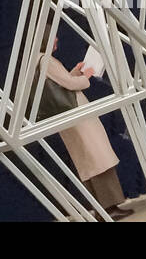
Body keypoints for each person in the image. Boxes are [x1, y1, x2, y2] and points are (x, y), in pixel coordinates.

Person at [39, 32, 133, 220]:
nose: (57, 39)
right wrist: (87, 76)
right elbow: (69, 84)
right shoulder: (45, 60)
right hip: (76, 116)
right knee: (97, 159)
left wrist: (75, 71)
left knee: (91, 161)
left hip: (70, 118)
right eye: (54, 37)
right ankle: (108, 208)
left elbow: (61, 82)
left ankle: (103, 208)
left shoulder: (41, 60)